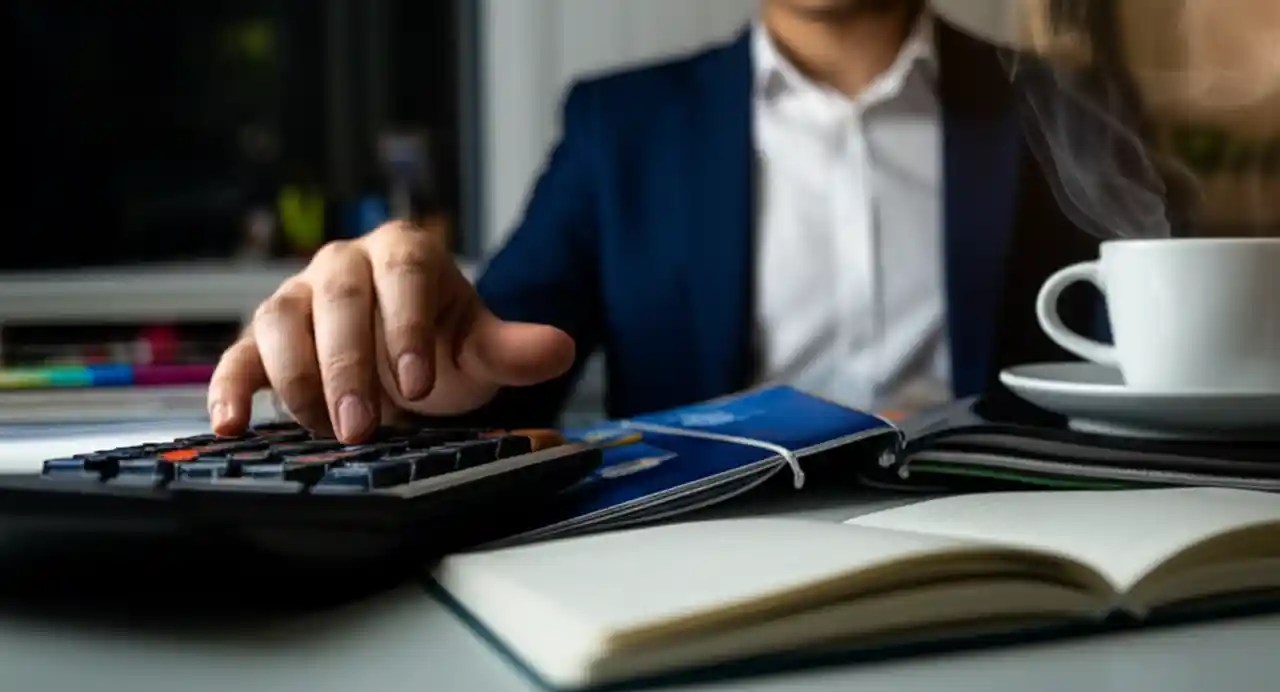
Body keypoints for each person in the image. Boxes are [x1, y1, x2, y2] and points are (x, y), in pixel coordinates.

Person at [209, 0, 1101, 444]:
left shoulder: (1058, 110)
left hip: (1001, 565)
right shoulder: (620, 128)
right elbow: (495, 366)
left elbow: (1132, 373)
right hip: (691, 575)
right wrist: (408, 358)